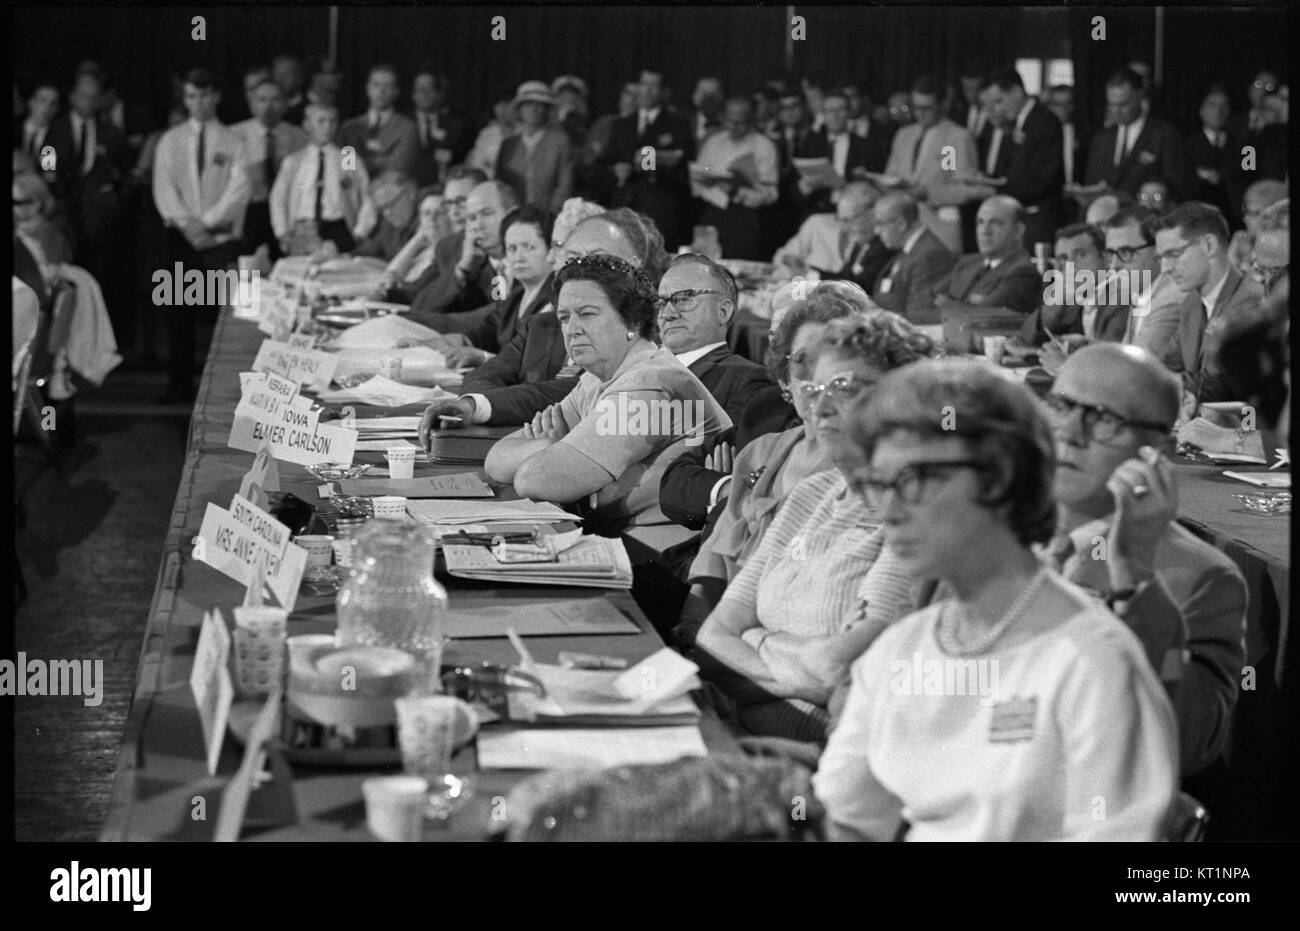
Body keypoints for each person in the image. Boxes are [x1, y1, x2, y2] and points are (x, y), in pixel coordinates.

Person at [816, 358, 1178, 840]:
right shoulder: (900, 648)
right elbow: (844, 820)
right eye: (877, 485)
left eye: (913, 480)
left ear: (999, 476)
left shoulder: (1093, 664)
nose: (889, 511)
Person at [692, 309, 930, 741]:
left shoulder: (915, 512)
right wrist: (794, 660)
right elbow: (712, 637)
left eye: (843, 388)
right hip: (734, 729)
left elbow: (837, 674)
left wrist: (757, 640)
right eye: (816, 388)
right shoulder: (811, 494)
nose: (819, 407)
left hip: (811, 754)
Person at [1046, 343, 1247, 778]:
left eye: (1103, 418)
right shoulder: (994, 534)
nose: (1069, 432)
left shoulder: (1196, 576)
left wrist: (1134, 576)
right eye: (1061, 405)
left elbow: (1185, 745)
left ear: (1158, 447)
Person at [667, 282, 871, 640]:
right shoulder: (762, 445)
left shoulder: (861, 472)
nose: (816, 380)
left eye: (833, 364)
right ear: (784, 374)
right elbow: (713, 574)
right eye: (803, 362)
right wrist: (692, 638)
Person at [483, 254, 730, 530]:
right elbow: (496, 460)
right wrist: (559, 448)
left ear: (633, 322)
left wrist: (556, 444)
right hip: (625, 536)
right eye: (564, 318)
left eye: (587, 314)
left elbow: (535, 479)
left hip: (666, 551)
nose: (572, 330)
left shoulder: (649, 382)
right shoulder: (596, 376)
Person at [417, 203, 661, 434]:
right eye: (574, 258)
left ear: (632, 264)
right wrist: (477, 405)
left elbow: (571, 393)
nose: (586, 269)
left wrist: (483, 406)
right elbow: (483, 376)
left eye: (599, 258)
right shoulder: (542, 324)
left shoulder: (646, 332)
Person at [151, 68, 249, 403]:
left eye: (204, 95)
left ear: (217, 97)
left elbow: (240, 188)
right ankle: (179, 384)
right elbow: (163, 188)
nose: (198, 103)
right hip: (182, 237)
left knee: (228, 314)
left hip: (219, 239)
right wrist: (186, 223)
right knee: (180, 311)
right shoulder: (170, 140)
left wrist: (207, 222)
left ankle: (224, 390)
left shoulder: (234, 141)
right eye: (192, 96)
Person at [1152, 202, 1263, 405]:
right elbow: (1164, 362)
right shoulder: (1192, 302)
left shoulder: (1250, 302)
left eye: (1173, 254)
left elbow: (1219, 385)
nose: (1165, 268)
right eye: (1161, 258)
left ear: (1209, 245)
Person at [436, 205, 557, 365]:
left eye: (529, 247)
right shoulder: (515, 297)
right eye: (512, 248)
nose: (518, 257)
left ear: (552, 249)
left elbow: (534, 368)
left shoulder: (557, 300)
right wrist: (420, 345)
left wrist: (483, 358)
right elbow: (472, 337)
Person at [883, 75, 988, 253]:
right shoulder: (904, 135)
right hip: (901, 222)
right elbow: (890, 174)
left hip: (937, 221)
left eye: (926, 108)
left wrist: (928, 193)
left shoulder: (955, 138)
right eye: (915, 107)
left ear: (942, 105)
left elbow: (962, 186)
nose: (919, 113)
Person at [600, 68, 695, 249]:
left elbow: (683, 167)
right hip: (624, 211)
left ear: (664, 91)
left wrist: (648, 162)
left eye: (654, 86)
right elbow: (604, 163)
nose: (648, 90)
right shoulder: (621, 125)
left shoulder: (678, 124)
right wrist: (615, 169)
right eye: (644, 84)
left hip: (660, 213)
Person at [269, 102, 377, 256]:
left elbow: (366, 196)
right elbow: (278, 198)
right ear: (307, 124)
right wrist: (282, 233)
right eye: (321, 121)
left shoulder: (347, 157)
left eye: (332, 121)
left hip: (338, 228)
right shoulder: (294, 160)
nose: (327, 127)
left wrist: (359, 233)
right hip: (303, 228)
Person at [408, 179, 519, 326]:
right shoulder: (463, 256)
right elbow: (420, 308)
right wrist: (462, 269)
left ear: (512, 215)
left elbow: (504, 314)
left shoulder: (533, 253)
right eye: (472, 218)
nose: (478, 226)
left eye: (487, 213)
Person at [978, 69, 1065, 251]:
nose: (996, 109)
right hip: (1016, 218)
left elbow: (1044, 179)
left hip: (1038, 219)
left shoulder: (1044, 121)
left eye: (999, 101)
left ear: (1017, 92)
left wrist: (995, 189)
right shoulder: (1011, 124)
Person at [690, 96, 778, 260]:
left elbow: (771, 193)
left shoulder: (763, 146)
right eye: (731, 121)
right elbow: (700, 174)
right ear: (723, 117)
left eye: (741, 122)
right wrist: (707, 179)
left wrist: (737, 189)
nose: (736, 127)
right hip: (712, 212)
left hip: (745, 217)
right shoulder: (714, 142)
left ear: (751, 119)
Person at [1021, 222, 1127, 357]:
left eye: (1081, 254)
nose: (1071, 265)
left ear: (1105, 258)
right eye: (1063, 259)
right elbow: (1028, 335)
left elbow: (1110, 359)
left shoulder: (1120, 299)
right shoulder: (1075, 299)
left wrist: (1034, 352)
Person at [1082, 68, 1185, 202]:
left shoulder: (1163, 135)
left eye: (1123, 104)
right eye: (1112, 105)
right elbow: (1091, 182)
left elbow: (1177, 186)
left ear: (1139, 96)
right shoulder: (1101, 138)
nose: (1116, 111)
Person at [233, 77, 307, 260]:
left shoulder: (299, 137)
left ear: (285, 103)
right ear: (252, 104)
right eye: (262, 100)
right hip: (249, 211)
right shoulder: (234, 136)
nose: (269, 106)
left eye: (275, 100)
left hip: (286, 211)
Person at [934, 195, 1041, 316]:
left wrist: (947, 305)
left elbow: (983, 318)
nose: (985, 231)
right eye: (980, 222)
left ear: (1019, 230)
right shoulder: (967, 262)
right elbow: (929, 299)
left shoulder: (1022, 271)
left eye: (995, 223)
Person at [794, 88, 885, 216]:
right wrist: (804, 188)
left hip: (856, 213)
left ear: (849, 112)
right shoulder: (811, 144)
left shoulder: (868, 146)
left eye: (840, 110)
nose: (835, 115)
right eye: (830, 111)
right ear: (823, 114)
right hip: (817, 212)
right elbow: (795, 192)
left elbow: (878, 187)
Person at [870, 190, 958, 323]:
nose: (876, 231)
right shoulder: (909, 248)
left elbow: (919, 315)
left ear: (901, 224)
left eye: (880, 224)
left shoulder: (930, 255)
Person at [495, 81, 574, 213]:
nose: (533, 109)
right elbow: (500, 182)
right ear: (519, 109)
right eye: (527, 104)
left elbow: (565, 184)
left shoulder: (560, 141)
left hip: (550, 215)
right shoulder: (508, 144)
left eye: (540, 105)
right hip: (513, 214)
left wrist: (552, 212)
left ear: (546, 110)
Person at [338, 64, 418, 180]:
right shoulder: (349, 127)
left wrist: (361, 161)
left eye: (388, 86)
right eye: (376, 85)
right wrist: (380, 160)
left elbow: (399, 167)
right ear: (367, 88)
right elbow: (345, 167)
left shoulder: (407, 128)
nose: (381, 91)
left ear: (396, 92)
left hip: (389, 193)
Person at [373, 189, 453, 303]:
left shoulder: (446, 255)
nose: (432, 218)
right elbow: (389, 275)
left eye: (440, 212)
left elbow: (391, 283)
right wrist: (418, 238)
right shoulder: (423, 251)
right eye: (426, 213)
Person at [1184, 85, 1243, 228]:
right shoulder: (1186, 145)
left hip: (1235, 217)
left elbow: (1250, 172)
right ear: (1201, 111)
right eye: (1212, 105)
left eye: (1224, 106)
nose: (1218, 111)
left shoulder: (1246, 145)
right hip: (1200, 218)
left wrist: (1221, 176)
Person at [410, 66, 467, 188]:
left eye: (429, 88)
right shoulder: (403, 123)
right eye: (420, 89)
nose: (424, 93)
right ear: (413, 95)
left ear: (440, 94)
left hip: (440, 190)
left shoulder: (455, 127)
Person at [1227, 178, 1288, 277]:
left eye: (1255, 213)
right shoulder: (1246, 248)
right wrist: (1233, 259)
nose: (1246, 218)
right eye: (1246, 212)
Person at [272, 54, 307, 126]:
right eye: (278, 75)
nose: (280, 80)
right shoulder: (267, 106)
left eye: (287, 75)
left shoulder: (309, 109)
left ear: (300, 78)